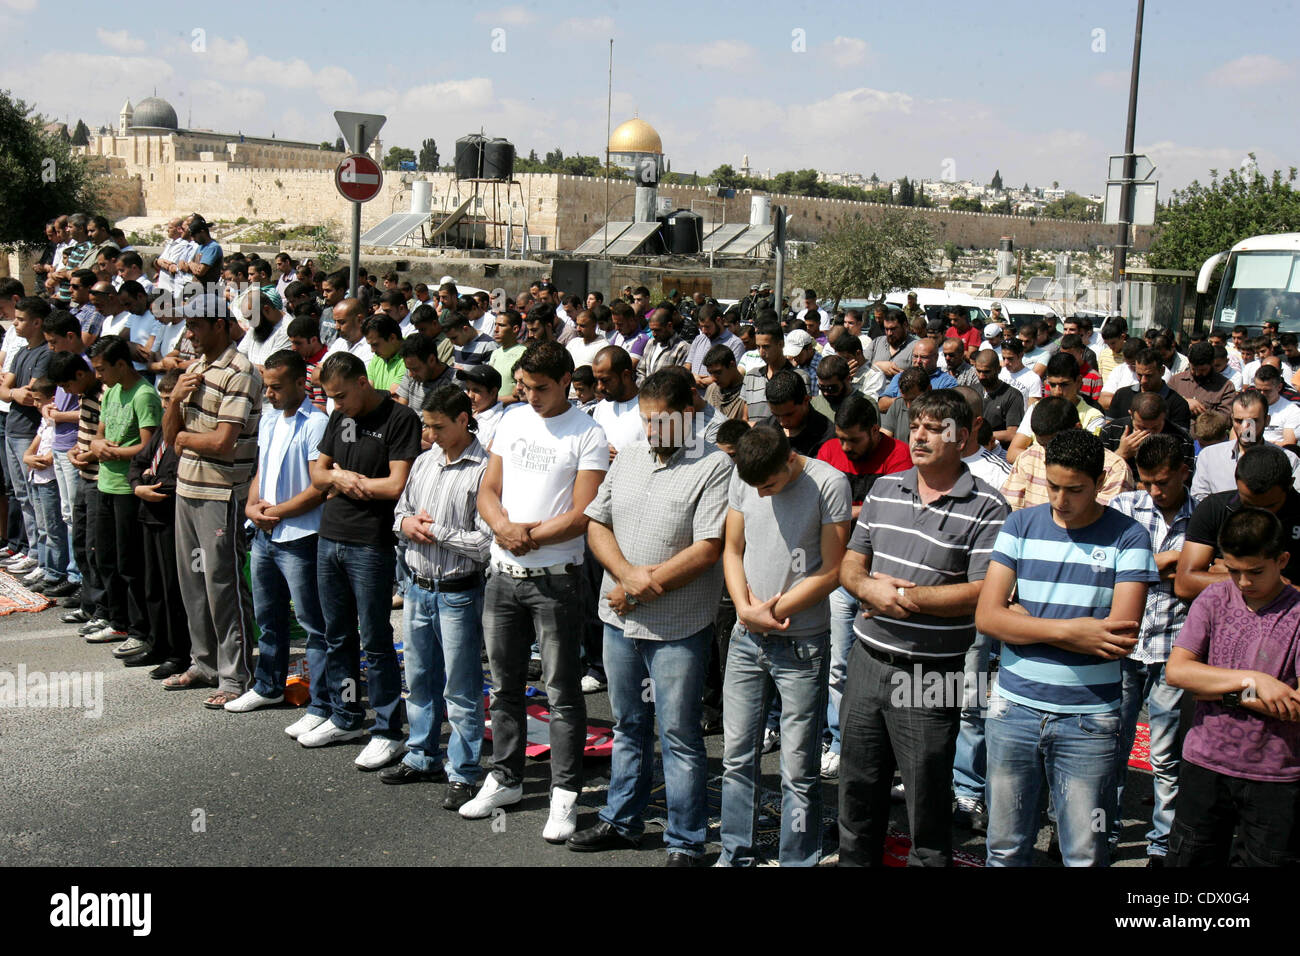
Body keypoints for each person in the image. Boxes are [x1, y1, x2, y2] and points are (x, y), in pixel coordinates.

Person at [566, 370, 732, 864]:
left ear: (689, 413)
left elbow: (707, 548)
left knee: (678, 735)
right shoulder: (631, 457)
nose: (652, 430)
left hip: (676, 627)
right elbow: (597, 523)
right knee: (628, 725)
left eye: (662, 421)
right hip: (620, 621)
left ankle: (685, 840)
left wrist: (636, 588)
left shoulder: (714, 466)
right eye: (646, 420)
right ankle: (622, 820)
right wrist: (625, 576)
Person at [837, 389, 1008, 866]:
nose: (919, 437)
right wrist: (867, 588)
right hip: (867, 662)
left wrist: (904, 599)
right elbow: (850, 564)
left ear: (963, 437)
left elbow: (982, 592)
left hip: (932, 673)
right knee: (857, 792)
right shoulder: (884, 489)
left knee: (927, 801)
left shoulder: (988, 506)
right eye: (915, 427)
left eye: (934, 429)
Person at [976, 429, 1158, 866]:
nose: (1060, 499)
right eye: (1054, 486)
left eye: (1074, 489)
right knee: (1004, 848)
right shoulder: (1019, 524)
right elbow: (987, 618)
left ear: (1100, 482)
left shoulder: (1129, 537)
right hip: (1012, 710)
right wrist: (1072, 632)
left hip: (1088, 720)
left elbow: (1119, 637)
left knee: (1084, 851)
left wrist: (1023, 622)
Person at [461, 341, 608, 842]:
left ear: (567, 380)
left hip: (556, 580)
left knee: (562, 691)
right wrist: (503, 529)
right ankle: (505, 777)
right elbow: (488, 489)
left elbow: (583, 513)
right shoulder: (512, 420)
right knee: (504, 686)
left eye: (540, 388)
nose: (530, 396)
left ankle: (565, 792)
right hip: (503, 576)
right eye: (524, 386)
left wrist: (525, 537)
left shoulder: (588, 433)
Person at [719, 424, 851, 866]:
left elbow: (831, 570)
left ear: (790, 459)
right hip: (746, 637)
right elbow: (732, 549)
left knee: (798, 769)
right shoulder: (745, 476)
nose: (760, 494)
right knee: (737, 758)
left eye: (769, 486)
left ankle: (797, 859)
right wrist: (745, 609)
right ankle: (735, 854)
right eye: (754, 486)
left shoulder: (829, 483)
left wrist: (770, 613)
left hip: (802, 644)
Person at [298, 352, 420, 765]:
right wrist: (337, 476)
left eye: (341, 396)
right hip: (330, 536)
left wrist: (349, 483)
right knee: (338, 635)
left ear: (363, 383)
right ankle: (346, 714)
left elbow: (396, 485)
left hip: (371, 542)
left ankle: (388, 729)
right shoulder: (339, 416)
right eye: (331, 397)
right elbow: (318, 474)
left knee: (375, 639)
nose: (336, 405)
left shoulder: (400, 418)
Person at [1165, 508, 1300, 866]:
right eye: (1234, 570)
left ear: (1282, 560)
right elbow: (1177, 671)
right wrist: (1254, 681)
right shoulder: (1214, 598)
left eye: (1255, 571)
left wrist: (1221, 691)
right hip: (1205, 763)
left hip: (1275, 772)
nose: (1243, 582)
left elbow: (1295, 706)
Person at [386, 385, 491, 808]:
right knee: (419, 680)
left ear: (464, 420)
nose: (428, 435)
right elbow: (400, 512)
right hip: (417, 587)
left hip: (458, 593)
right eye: (426, 426)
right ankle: (421, 754)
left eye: (437, 426)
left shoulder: (485, 470)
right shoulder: (424, 461)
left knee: (461, 689)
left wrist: (434, 532)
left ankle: (463, 771)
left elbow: (485, 543)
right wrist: (407, 525)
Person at [160, 293, 262, 708]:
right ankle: (203, 663)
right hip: (187, 488)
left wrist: (184, 438)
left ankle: (236, 674)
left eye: (196, 326)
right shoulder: (194, 370)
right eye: (187, 326)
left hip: (222, 492)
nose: (190, 335)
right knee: (194, 583)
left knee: (223, 585)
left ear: (219, 324)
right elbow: (170, 436)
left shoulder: (241, 372)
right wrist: (174, 400)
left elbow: (223, 442)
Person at [223, 350, 330, 720]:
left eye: (276, 387)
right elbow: (262, 471)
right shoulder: (269, 419)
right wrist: (252, 508)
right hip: (265, 534)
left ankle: (322, 703)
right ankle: (267, 687)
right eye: (266, 387)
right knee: (268, 618)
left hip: (300, 537)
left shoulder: (316, 423)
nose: (269, 394)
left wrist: (277, 512)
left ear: (301, 383)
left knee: (313, 624)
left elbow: (319, 487)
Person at [1107, 435, 1195, 865]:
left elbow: (1201, 579)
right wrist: (1165, 563)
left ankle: (1162, 844)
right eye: (1147, 482)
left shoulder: (1203, 517)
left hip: (1174, 648)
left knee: (1166, 755)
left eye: (1163, 481)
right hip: (1124, 644)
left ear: (1184, 472)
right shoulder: (1125, 507)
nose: (1155, 491)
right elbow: (1108, 567)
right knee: (1111, 747)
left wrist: (1141, 569)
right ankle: (1102, 834)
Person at [816, 392, 913, 778]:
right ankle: (841, 741)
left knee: (890, 670)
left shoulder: (900, 456)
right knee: (839, 665)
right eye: (841, 438)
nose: (845, 448)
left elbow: (893, 515)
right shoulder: (828, 451)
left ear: (875, 431)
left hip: (884, 578)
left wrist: (843, 511)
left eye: (853, 440)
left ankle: (889, 752)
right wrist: (858, 510)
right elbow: (819, 508)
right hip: (842, 576)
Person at [87, 337, 160, 652]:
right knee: (105, 558)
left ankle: (139, 628)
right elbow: (99, 434)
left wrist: (114, 453)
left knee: (131, 564)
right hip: (104, 484)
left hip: (129, 489)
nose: (98, 375)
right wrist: (97, 445)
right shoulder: (110, 391)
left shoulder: (144, 395)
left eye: (102, 369)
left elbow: (148, 446)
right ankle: (116, 620)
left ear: (121, 364)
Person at [123, 369, 189, 671]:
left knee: (173, 589)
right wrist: (139, 484)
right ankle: (156, 643)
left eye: (170, 399)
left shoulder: (186, 432)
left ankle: (178, 652)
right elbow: (139, 462)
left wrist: (153, 481)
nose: (165, 406)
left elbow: (177, 479)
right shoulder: (163, 430)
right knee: (153, 586)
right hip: (148, 515)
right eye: (163, 400)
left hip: (170, 518)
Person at [1175, 445, 1300, 605]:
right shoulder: (1215, 509)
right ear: (1237, 483)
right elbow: (1185, 585)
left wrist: (1277, 586)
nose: (1258, 514)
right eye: (1248, 504)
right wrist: (1237, 577)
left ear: (1290, 485)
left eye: (1269, 507)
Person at [1002, 398, 1133, 511]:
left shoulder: (1114, 468)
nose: (1048, 452)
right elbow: (1011, 510)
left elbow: (1106, 521)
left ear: (1077, 428)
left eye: (1075, 489)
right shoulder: (1028, 458)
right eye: (1043, 445)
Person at [0, 297, 53, 575]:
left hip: (28, 431)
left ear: (37, 322)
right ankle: (30, 549)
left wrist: (12, 392)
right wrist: (13, 393)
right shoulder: (21, 351)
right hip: (12, 426)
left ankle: (41, 556)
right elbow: (7, 390)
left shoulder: (45, 354)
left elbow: (30, 395)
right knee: (21, 494)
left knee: (34, 497)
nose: (15, 324)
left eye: (20, 320)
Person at [1193, 389, 1300, 497]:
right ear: (1232, 419)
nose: (1246, 428)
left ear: (1267, 420)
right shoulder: (1209, 456)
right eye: (1239, 421)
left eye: (1253, 421)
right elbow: (1199, 498)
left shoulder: (1289, 460)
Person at [1099, 391, 1197, 482]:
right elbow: (1098, 477)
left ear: (1164, 416)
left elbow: (1184, 482)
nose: (1149, 433)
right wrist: (1121, 454)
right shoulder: (1110, 431)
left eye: (1155, 428)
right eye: (1141, 427)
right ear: (1131, 414)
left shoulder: (1182, 439)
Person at [766, 368, 834, 458]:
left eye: (789, 415)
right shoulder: (764, 432)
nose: (782, 422)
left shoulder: (827, 437)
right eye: (776, 415)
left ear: (806, 400)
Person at [591, 345, 643, 457]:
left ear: (625, 375)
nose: (599, 387)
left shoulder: (649, 408)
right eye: (597, 380)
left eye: (605, 380)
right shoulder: (601, 408)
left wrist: (622, 459)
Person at [974, 348, 1024, 450]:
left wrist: (980, 436)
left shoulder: (1012, 396)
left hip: (998, 451)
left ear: (998, 370)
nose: (981, 376)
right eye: (979, 371)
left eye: (986, 372)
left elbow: (1012, 433)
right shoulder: (972, 391)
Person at [456, 365, 505, 448]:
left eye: (476, 391)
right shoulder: (465, 411)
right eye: (468, 390)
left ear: (493, 392)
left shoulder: (499, 422)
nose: (470, 396)